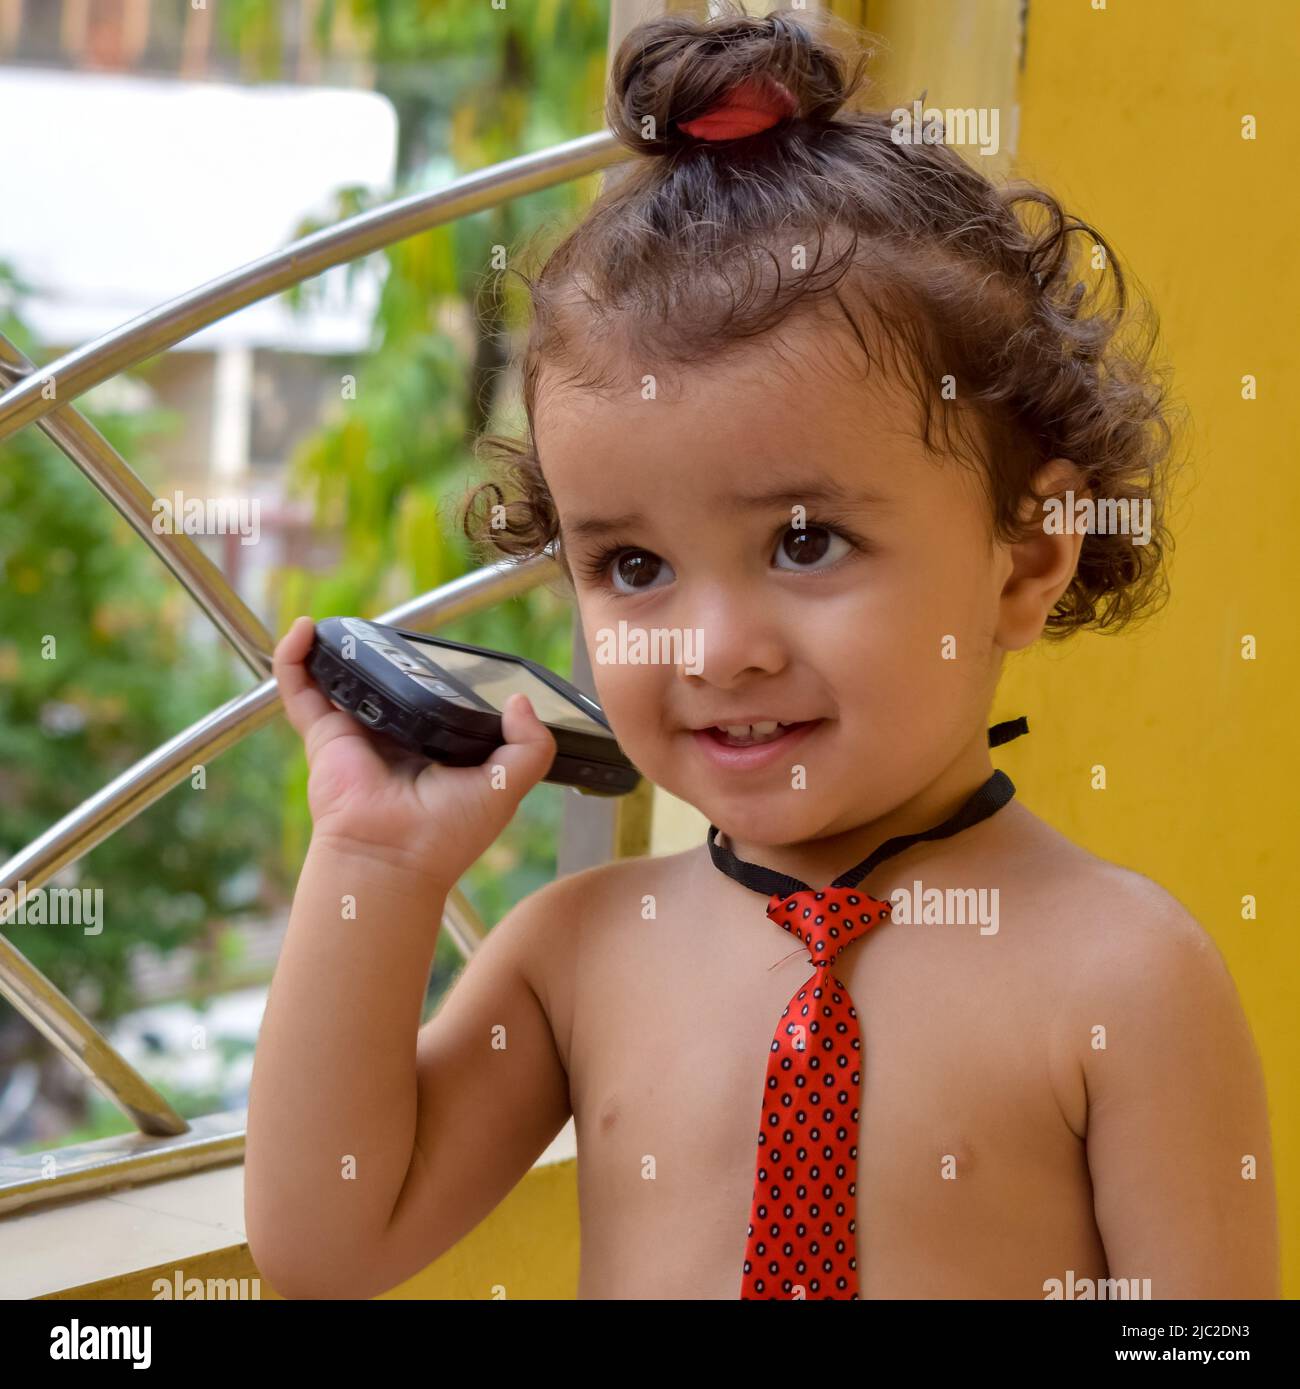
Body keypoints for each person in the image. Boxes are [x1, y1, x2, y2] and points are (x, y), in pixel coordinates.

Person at [245, 3, 1278, 1299]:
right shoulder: (578, 952)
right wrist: (373, 861)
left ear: (1026, 556)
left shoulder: (1126, 971)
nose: (717, 648)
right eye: (632, 565)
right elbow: (323, 1242)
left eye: (804, 544)